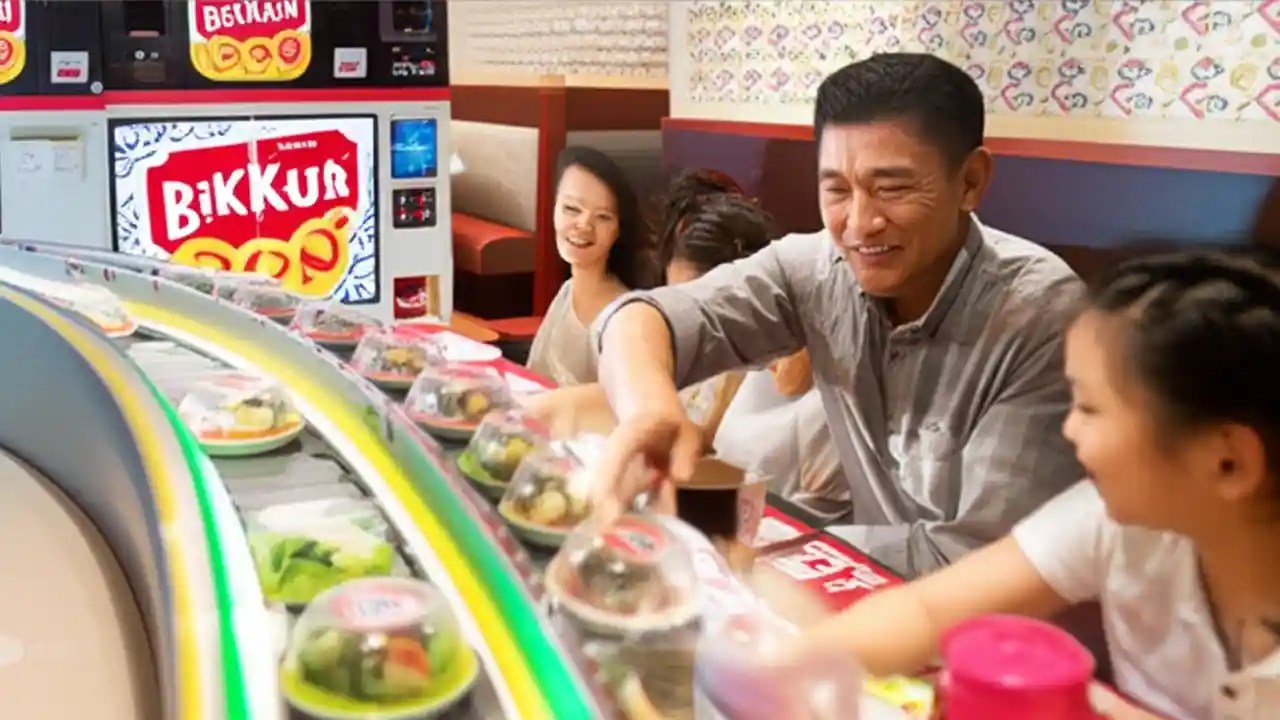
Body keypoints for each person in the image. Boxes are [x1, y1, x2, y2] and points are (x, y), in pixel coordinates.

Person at [589, 52, 1085, 576]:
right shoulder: (817, 267)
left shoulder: (1039, 314)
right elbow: (641, 317)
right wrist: (649, 409)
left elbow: (982, 564)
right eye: (836, 189)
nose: (860, 222)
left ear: (970, 182)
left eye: (891, 187)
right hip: (858, 586)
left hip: (983, 635)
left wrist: (763, 556)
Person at [751, 250, 1280, 720]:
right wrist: (780, 667)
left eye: (1090, 408)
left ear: (1228, 463)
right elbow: (927, 611)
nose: (1068, 428)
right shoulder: (1115, 520)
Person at [526, 169, 774, 447]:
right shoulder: (655, 326)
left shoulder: (769, 359)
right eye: (679, 302)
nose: (689, 318)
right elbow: (622, 398)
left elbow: (696, 436)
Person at [526, 146, 654, 386]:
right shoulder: (568, 290)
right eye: (571, 209)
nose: (584, 225)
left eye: (603, 216)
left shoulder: (624, 317)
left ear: (619, 229)